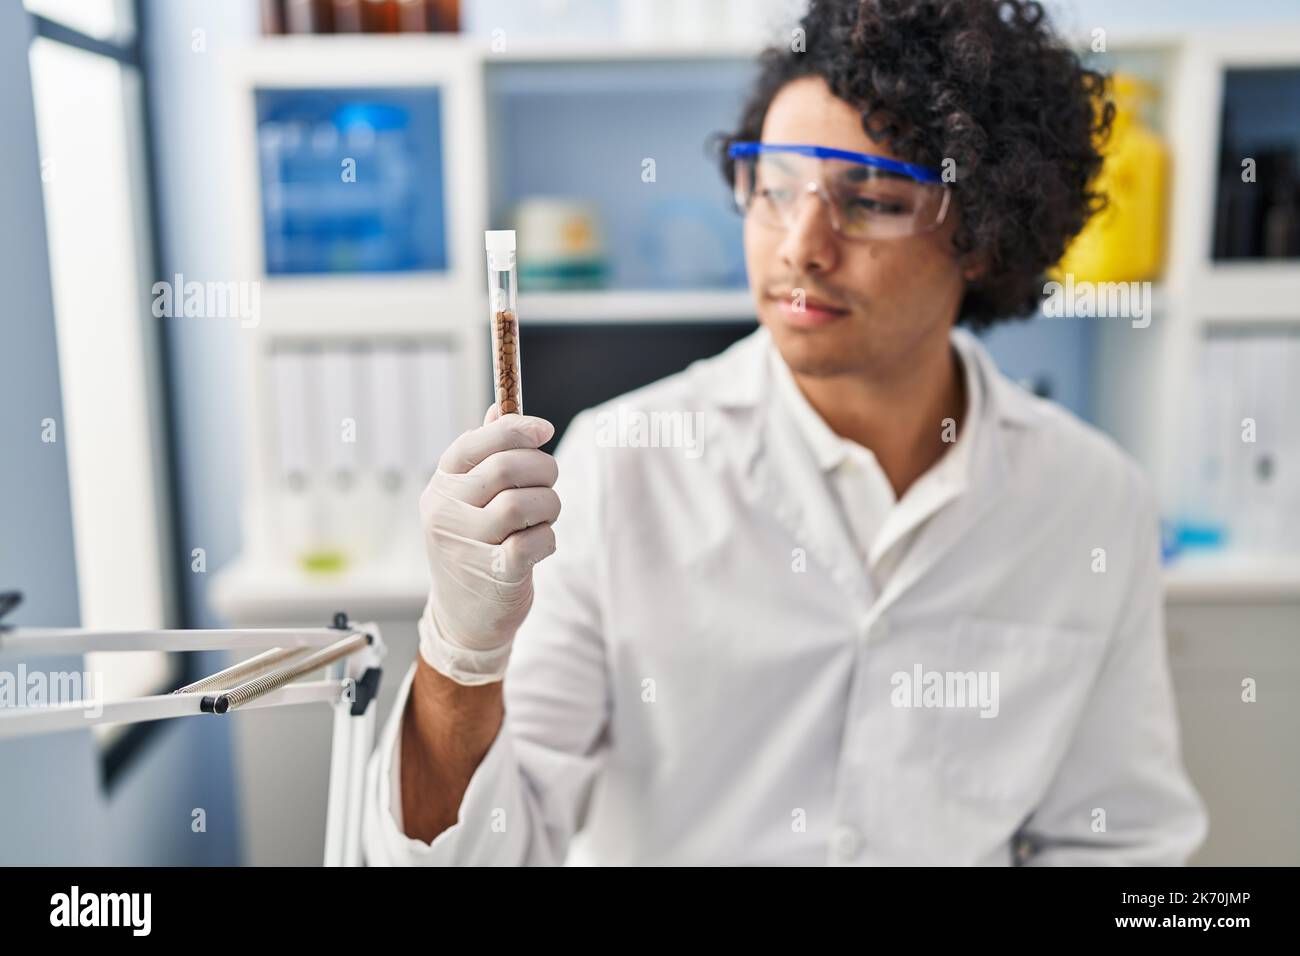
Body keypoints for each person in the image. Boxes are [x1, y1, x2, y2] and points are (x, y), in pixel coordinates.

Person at [363, 0, 1207, 865]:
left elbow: (1118, 839)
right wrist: (461, 654)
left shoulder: (1091, 503)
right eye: (773, 186)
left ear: (986, 236)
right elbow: (487, 848)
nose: (801, 245)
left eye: (870, 199)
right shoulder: (623, 469)